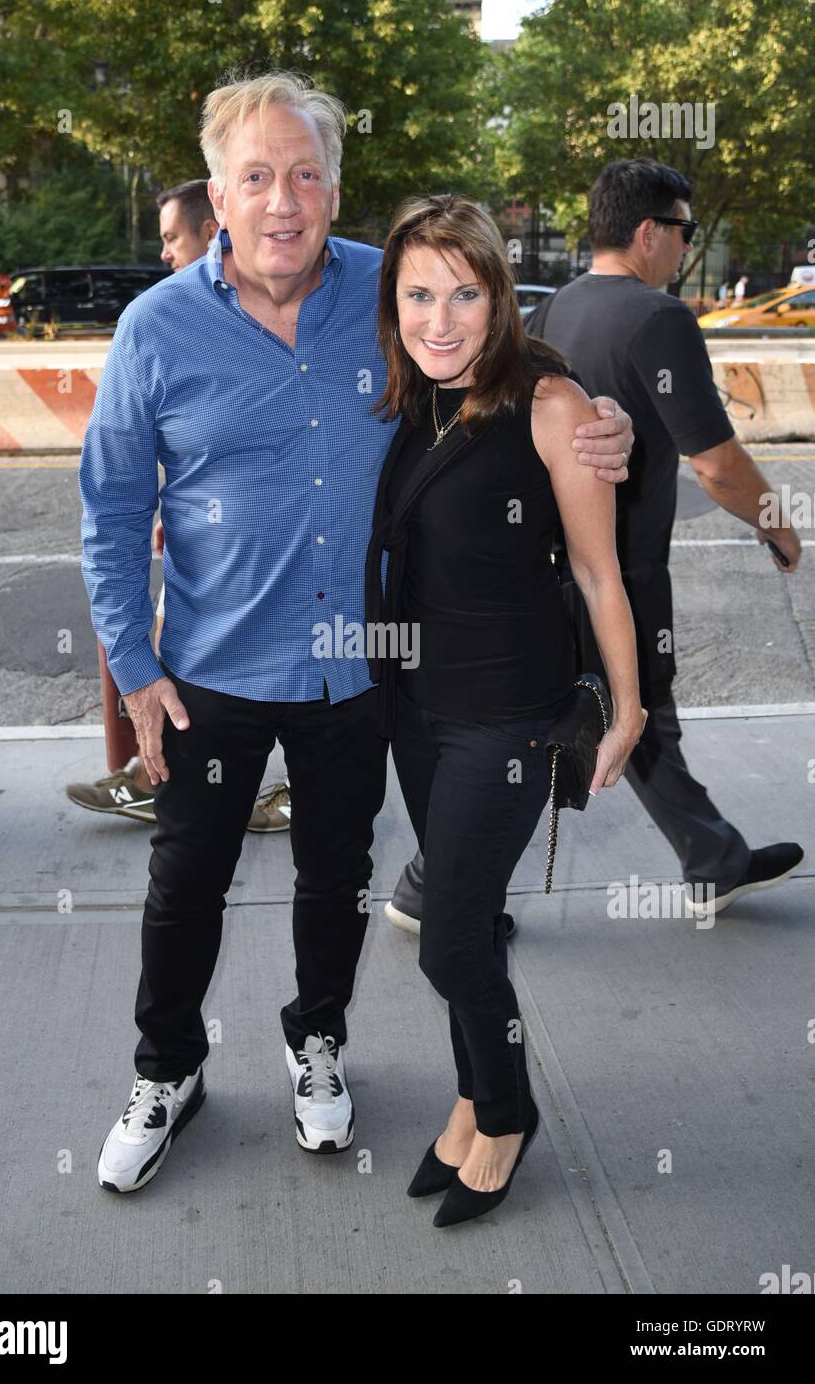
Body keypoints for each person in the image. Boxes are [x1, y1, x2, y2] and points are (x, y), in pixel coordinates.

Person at [80, 70, 636, 1196]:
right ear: (219, 197)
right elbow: (107, 509)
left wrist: (596, 415)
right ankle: (167, 1068)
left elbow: (495, 342)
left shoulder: (390, 295)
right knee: (185, 882)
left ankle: (315, 1039)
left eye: (303, 174)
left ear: (333, 191)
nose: (280, 199)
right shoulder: (155, 329)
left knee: (335, 877)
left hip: (357, 674)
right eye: (255, 176)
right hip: (209, 674)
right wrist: (133, 671)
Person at [387, 159, 803, 935]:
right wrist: (779, 522)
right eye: (681, 230)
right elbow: (713, 459)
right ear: (649, 231)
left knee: (600, 721)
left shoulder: (557, 307)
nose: (682, 246)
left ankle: (709, 856)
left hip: (534, 575)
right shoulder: (659, 317)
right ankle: (433, 883)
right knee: (603, 721)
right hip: (616, 568)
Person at [364, 194, 646, 1227]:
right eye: (417, 295)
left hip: (509, 717)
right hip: (415, 707)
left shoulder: (549, 403)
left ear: (498, 297)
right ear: (391, 303)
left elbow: (595, 569)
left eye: (464, 294)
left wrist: (627, 706)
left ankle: (508, 1107)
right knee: (469, 922)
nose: (439, 319)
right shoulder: (405, 394)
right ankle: (472, 1095)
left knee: (445, 941)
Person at [67, 180, 289, 831]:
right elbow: (115, 503)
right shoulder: (158, 323)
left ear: (209, 226)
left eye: (171, 238)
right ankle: (149, 772)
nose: (164, 253)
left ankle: (155, 775)